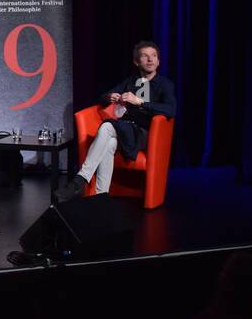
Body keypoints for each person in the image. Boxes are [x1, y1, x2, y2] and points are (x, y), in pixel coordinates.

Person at [56, 40, 177, 201]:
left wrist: (140, 102)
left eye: (154, 56)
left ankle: (81, 179)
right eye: (145, 56)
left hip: (145, 134)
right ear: (136, 61)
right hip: (125, 130)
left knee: (106, 127)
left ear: (158, 61)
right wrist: (110, 97)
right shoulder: (131, 81)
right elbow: (103, 97)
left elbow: (171, 110)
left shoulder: (164, 84)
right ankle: (100, 198)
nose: (150, 60)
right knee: (109, 144)